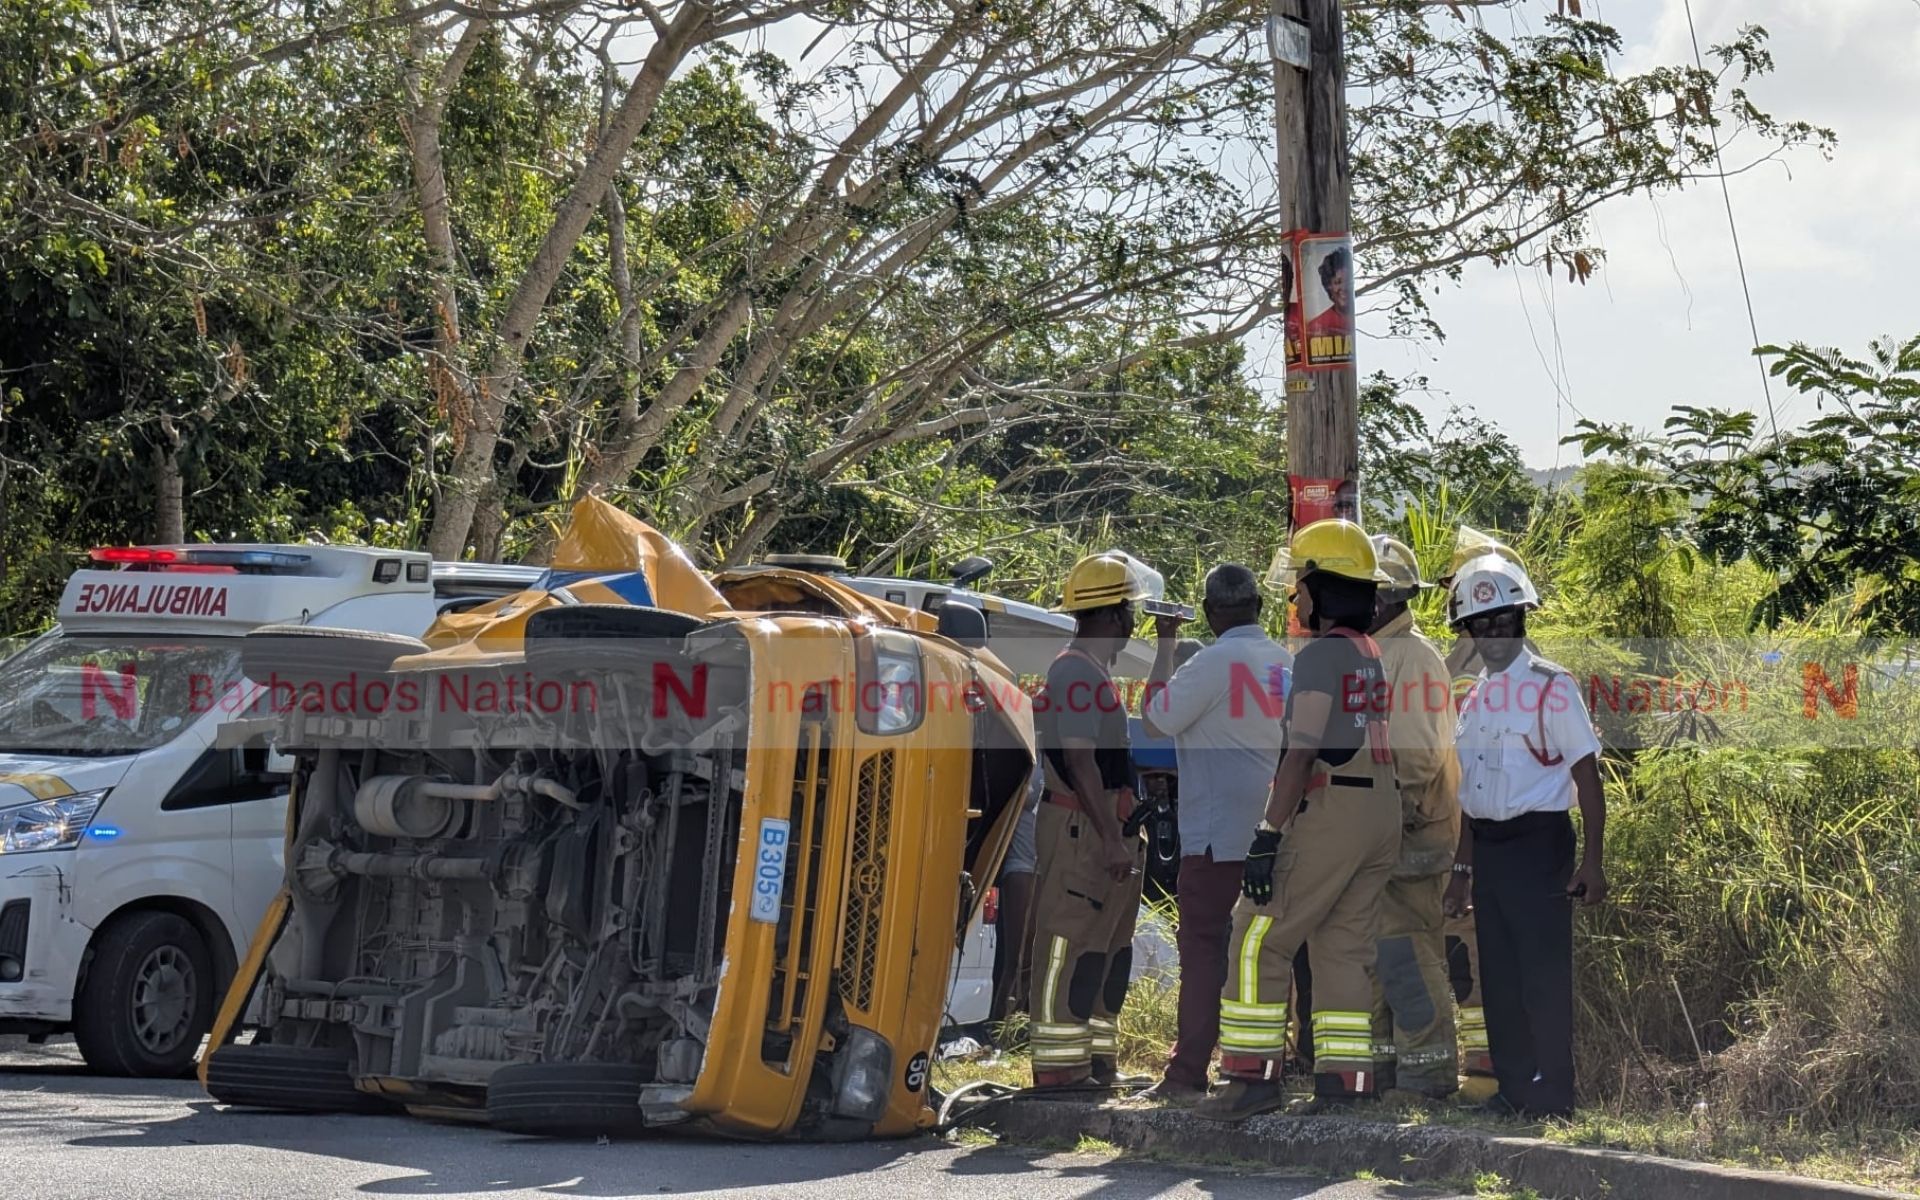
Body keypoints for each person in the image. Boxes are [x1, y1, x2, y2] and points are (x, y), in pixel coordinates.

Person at [1194, 520, 1399, 1121]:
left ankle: (1250, 1080)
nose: (1296, 597)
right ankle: (1345, 1085)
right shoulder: (1369, 653)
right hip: (1378, 809)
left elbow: (1301, 749)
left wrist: (1268, 834)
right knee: (1342, 947)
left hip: (1333, 808)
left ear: (1327, 588)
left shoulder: (1320, 657)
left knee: (1258, 935)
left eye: (1302, 585)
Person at [1445, 553, 1608, 1119]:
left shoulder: (1551, 687)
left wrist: (1592, 861)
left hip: (1540, 845)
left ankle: (1552, 1096)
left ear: (1521, 619)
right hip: (1488, 850)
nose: (1492, 635)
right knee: (1500, 975)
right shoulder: (1477, 697)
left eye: (1502, 621)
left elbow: (1587, 775)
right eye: (1479, 625)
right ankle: (1513, 1091)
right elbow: (1472, 792)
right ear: (1467, 632)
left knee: (1542, 975)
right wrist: (1462, 870)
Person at [1131, 564, 1292, 1106]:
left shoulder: (1212, 662)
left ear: (1210, 612)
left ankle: (1187, 1072)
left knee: (1203, 950)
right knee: (1271, 954)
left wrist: (1165, 646)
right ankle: (1267, 1066)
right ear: (1258, 608)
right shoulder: (1284, 662)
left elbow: (1154, 720)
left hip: (1217, 837)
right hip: (1277, 832)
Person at [1027, 552, 1152, 1088]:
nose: (1133, 620)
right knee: (1067, 941)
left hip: (1107, 828)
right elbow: (1080, 762)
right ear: (1108, 613)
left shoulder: (1093, 669)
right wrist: (1110, 838)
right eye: (1128, 609)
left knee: (1107, 945)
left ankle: (1097, 1061)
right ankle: (1059, 1067)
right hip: (1084, 830)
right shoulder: (1075, 670)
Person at [1365, 535, 1462, 1100]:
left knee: (1406, 957)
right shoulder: (1377, 653)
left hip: (1411, 838)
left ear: (1383, 596)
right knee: (1378, 963)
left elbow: (1419, 756)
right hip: (1383, 840)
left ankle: (1425, 1078)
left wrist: (1382, 816)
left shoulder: (1413, 656)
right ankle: (1382, 1075)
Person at [989, 767, 1045, 1025]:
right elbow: (1023, 797)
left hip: (1049, 864)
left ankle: (1026, 1024)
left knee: (1037, 956)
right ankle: (1002, 1025)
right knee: (1018, 956)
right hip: (1022, 863)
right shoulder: (1027, 760)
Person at [1305, 247, 1353, 339]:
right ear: (1329, 287)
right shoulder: (1315, 326)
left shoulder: (1366, 321)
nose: (1344, 287)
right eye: (1337, 282)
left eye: (1348, 281)